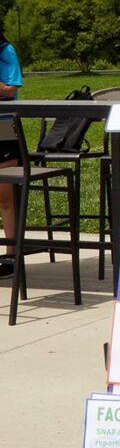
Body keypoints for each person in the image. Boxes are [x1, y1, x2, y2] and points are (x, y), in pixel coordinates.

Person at [0, 29, 24, 280]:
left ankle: (10, 256)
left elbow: (10, 88)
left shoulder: (5, 51)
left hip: (4, 126)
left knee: (5, 197)